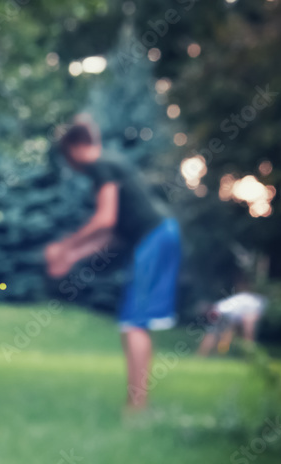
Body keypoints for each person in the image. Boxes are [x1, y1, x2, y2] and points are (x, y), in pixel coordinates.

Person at [45, 121, 181, 411]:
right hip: (160, 236)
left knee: (135, 322)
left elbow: (104, 220)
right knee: (135, 321)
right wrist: (71, 256)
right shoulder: (110, 164)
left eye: (67, 157)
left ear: (74, 147)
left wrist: (64, 247)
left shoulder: (101, 165)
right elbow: (109, 235)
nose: (71, 165)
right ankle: (137, 403)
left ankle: (136, 406)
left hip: (155, 237)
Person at [197, 292, 268, 356]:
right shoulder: (257, 304)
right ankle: (212, 355)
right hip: (223, 313)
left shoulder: (251, 300)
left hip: (220, 311)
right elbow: (248, 322)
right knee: (220, 335)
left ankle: (205, 355)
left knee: (214, 335)